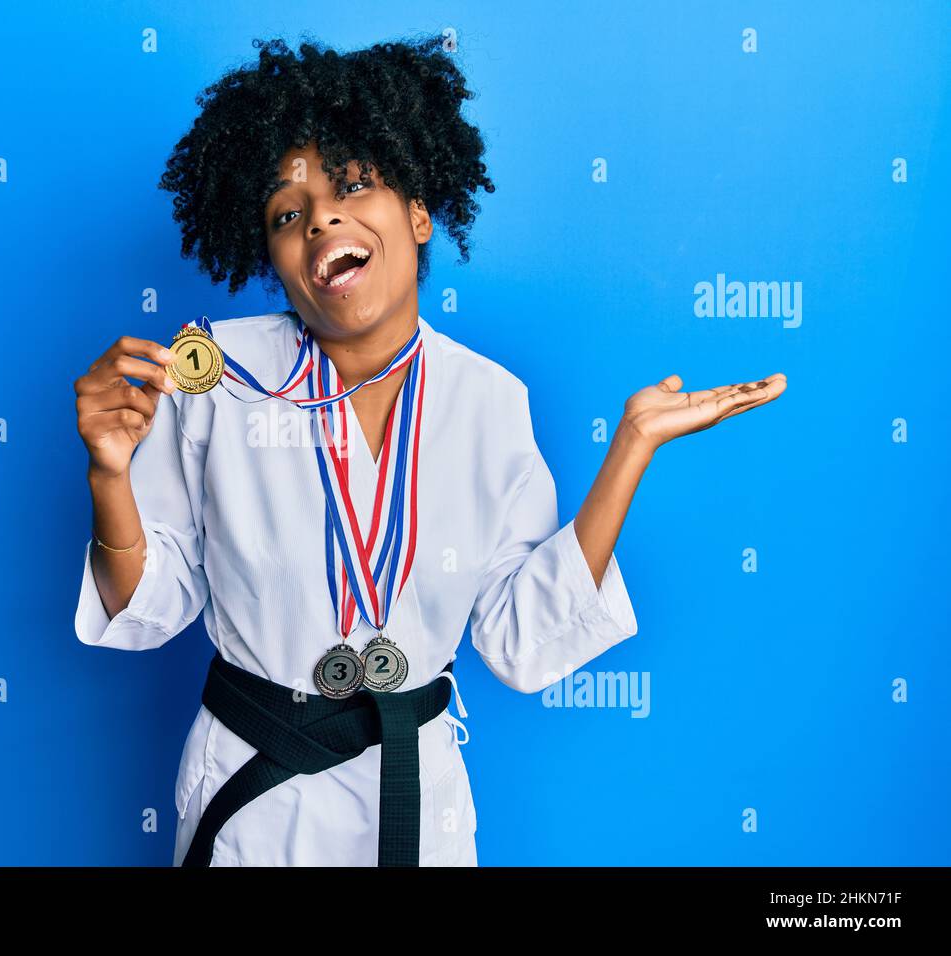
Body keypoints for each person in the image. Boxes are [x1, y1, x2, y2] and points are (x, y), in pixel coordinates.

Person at [72, 36, 786, 867]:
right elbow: (150, 607)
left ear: (418, 214)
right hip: (256, 798)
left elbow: (521, 640)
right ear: (273, 256)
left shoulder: (489, 401)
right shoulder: (219, 375)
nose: (321, 219)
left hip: (415, 805)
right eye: (287, 214)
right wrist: (109, 474)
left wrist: (629, 451)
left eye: (352, 185)